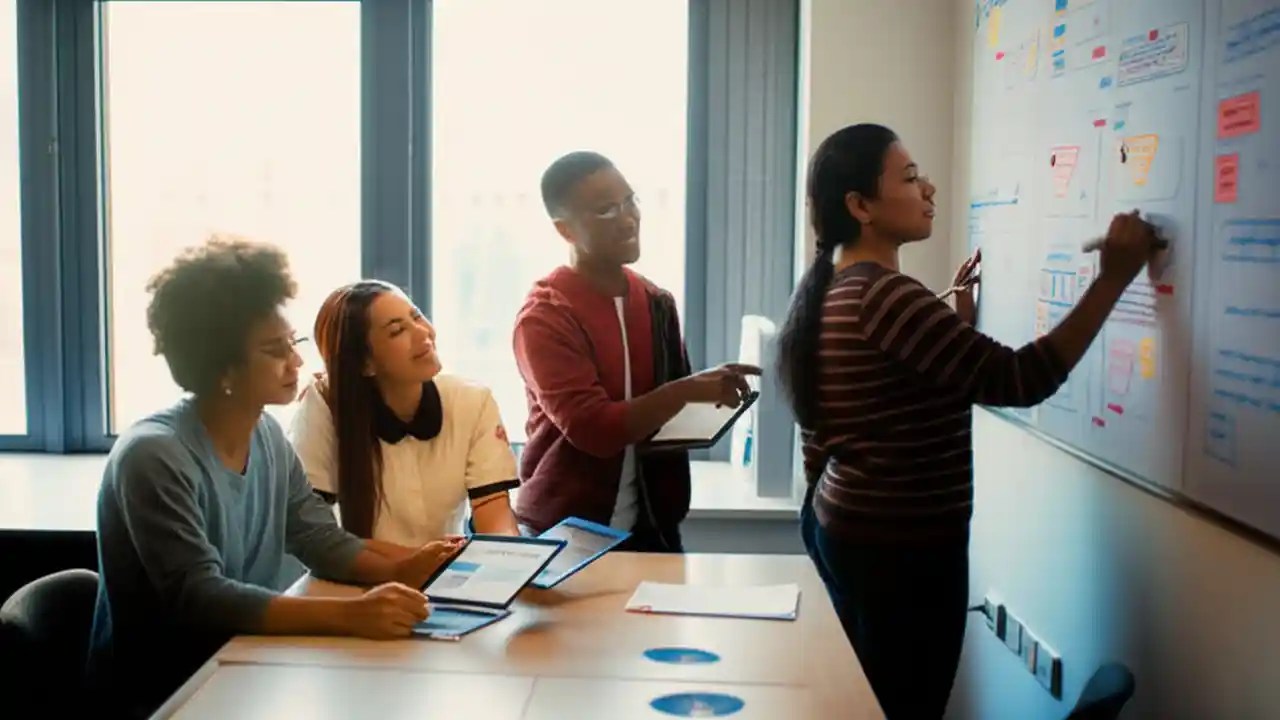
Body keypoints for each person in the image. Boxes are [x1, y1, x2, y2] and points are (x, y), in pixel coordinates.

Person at [776, 124, 1160, 719]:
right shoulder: (888, 297)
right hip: (901, 547)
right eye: (908, 178)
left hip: (848, 527)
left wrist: (954, 326)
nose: (929, 187)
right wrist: (1113, 277)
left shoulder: (838, 291)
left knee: (872, 704)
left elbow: (855, 416)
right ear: (860, 206)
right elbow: (1022, 379)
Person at [88, 238, 462, 717]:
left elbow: (316, 537)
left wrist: (402, 568)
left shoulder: (264, 431)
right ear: (221, 366)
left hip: (244, 666)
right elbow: (199, 598)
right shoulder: (154, 456)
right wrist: (351, 616)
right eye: (273, 350)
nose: (297, 362)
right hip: (169, 692)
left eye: (293, 343)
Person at [513, 150, 759, 551]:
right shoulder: (545, 316)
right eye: (606, 210)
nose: (628, 218)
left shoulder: (657, 302)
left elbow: (667, 419)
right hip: (563, 536)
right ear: (565, 231)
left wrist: (710, 401)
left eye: (631, 201)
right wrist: (685, 392)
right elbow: (595, 430)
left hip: (653, 530)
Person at [289, 280, 521, 546]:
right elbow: (314, 534)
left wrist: (510, 561)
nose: (423, 333)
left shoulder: (472, 401)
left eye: (417, 316)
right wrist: (412, 564)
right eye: (397, 330)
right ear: (365, 363)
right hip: (356, 573)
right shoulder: (324, 404)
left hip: (443, 573)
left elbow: (495, 517)